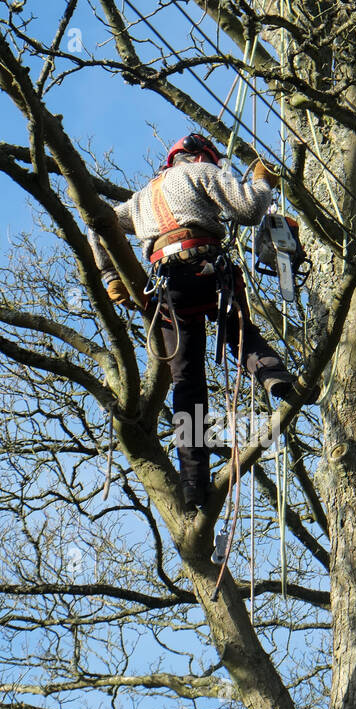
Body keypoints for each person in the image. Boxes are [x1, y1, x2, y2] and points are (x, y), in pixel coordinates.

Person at [88, 133, 297, 515]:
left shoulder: (140, 200)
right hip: (206, 271)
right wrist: (264, 182)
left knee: (186, 385)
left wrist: (110, 276)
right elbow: (249, 210)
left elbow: (97, 223)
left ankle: (192, 484)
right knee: (239, 334)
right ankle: (276, 378)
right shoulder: (202, 172)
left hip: (167, 291)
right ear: (201, 156)